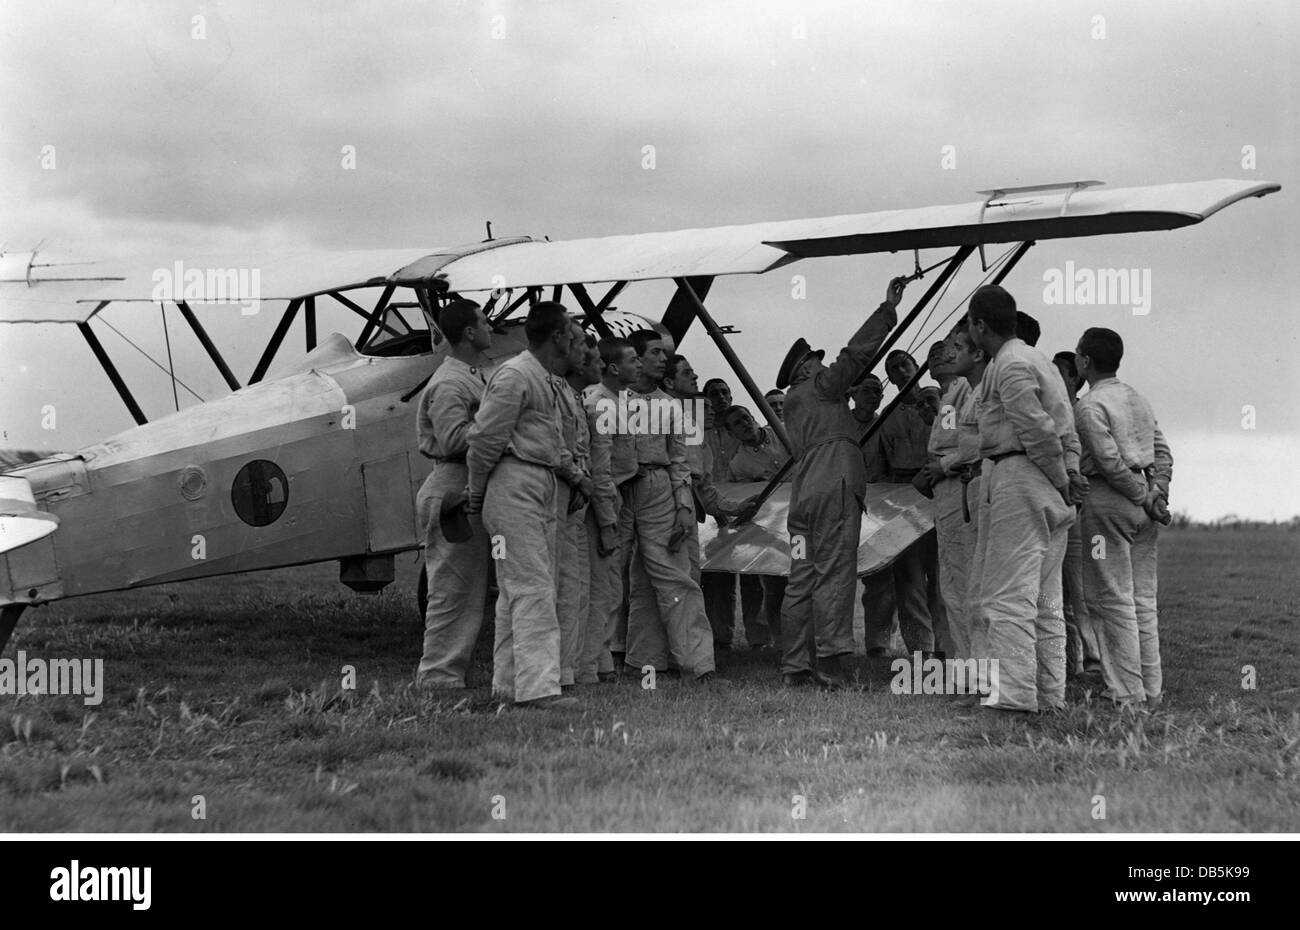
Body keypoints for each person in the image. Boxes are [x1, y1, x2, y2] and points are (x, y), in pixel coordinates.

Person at [774, 276, 904, 688]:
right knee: (835, 572)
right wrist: (886, 310)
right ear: (808, 368)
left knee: (802, 576)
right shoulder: (821, 387)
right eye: (817, 360)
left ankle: (796, 665)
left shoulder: (796, 404)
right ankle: (831, 664)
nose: (823, 365)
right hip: (836, 488)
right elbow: (854, 356)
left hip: (806, 494)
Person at [967, 286, 1086, 714]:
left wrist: (1062, 479)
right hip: (1047, 487)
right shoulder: (1041, 363)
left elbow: (1035, 429)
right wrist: (1068, 476)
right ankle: (1050, 695)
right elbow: (1065, 431)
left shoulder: (1010, 364)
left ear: (980, 325)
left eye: (970, 324)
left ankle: (1015, 698)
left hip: (1021, 478)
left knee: (1009, 596)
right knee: (1047, 603)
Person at [467, 300, 580, 710]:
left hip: (539, 483)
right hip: (515, 483)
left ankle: (510, 685)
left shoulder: (543, 378)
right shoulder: (516, 375)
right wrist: (478, 495)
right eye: (571, 331)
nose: (575, 339)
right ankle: (539, 690)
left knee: (517, 590)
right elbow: (483, 440)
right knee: (533, 586)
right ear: (558, 336)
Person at [1073, 327, 1173, 710]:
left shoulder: (1089, 405)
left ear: (1085, 361)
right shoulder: (1138, 399)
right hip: (1144, 505)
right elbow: (1162, 451)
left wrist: (1143, 494)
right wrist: (1156, 494)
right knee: (1143, 599)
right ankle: (1152, 690)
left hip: (1109, 503)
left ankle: (1127, 693)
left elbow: (1108, 461)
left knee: (1110, 597)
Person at [618, 330, 721, 683]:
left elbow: (679, 459)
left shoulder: (670, 405)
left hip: (659, 486)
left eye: (665, 354)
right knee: (630, 578)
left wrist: (682, 506)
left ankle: (698, 663)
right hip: (617, 489)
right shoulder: (612, 400)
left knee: (675, 576)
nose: (664, 360)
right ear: (637, 357)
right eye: (656, 353)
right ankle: (639, 659)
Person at [414, 299, 493, 690]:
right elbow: (453, 439)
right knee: (452, 588)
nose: (490, 327)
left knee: (466, 586)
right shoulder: (450, 382)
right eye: (484, 321)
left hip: (466, 484)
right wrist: (501, 429)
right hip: (453, 486)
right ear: (468, 332)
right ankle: (438, 678)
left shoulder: (469, 376)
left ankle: (445, 674)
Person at [879, 349, 946, 658]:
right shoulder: (888, 415)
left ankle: (948, 644)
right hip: (901, 490)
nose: (902, 371)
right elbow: (883, 459)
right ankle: (921, 647)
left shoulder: (942, 400)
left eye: (905, 364)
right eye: (894, 368)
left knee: (942, 572)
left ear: (916, 366)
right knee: (909, 575)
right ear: (889, 378)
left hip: (938, 487)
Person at [584, 337, 641, 681]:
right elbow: (600, 470)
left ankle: (600, 661)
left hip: (616, 495)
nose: (639, 366)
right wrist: (607, 521)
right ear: (614, 368)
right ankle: (592, 665)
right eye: (633, 360)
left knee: (609, 586)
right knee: (601, 586)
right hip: (602, 500)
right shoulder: (601, 405)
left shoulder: (620, 401)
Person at [920, 334, 975, 663]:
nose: (938, 356)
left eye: (946, 350)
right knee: (950, 584)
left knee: (961, 580)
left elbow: (974, 443)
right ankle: (960, 661)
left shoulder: (966, 391)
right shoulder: (947, 397)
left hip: (958, 488)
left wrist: (943, 465)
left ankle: (972, 669)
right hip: (943, 494)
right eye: (933, 353)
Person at [1052, 349, 1103, 678]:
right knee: (1057, 591)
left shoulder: (1080, 411)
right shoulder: (1054, 409)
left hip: (1079, 509)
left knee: (1079, 589)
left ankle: (1092, 658)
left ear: (1074, 378)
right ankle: (1069, 662)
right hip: (1057, 508)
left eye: (1059, 371)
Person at [723, 403, 790, 648]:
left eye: (745, 417)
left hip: (802, 518)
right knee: (774, 586)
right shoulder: (738, 464)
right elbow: (742, 498)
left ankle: (812, 638)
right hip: (770, 528)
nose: (745, 424)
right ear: (732, 434)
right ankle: (781, 640)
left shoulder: (783, 433)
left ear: (754, 416)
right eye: (737, 424)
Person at [554, 324, 597, 688]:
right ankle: (560, 670)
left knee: (577, 587)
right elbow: (558, 446)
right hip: (564, 496)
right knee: (565, 586)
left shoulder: (576, 397)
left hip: (577, 498)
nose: (589, 357)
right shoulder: (558, 393)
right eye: (584, 349)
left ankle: (571, 667)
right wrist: (578, 478)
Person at [851, 375, 899, 657]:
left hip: (879, 507)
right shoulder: (840, 423)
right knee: (840, 576)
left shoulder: (885, 425)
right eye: (866, 390)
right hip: (844, 503)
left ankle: (878, 644)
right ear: (853, 393)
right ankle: (839, 642)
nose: (872, 395)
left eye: (877, 391)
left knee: (882, 576)